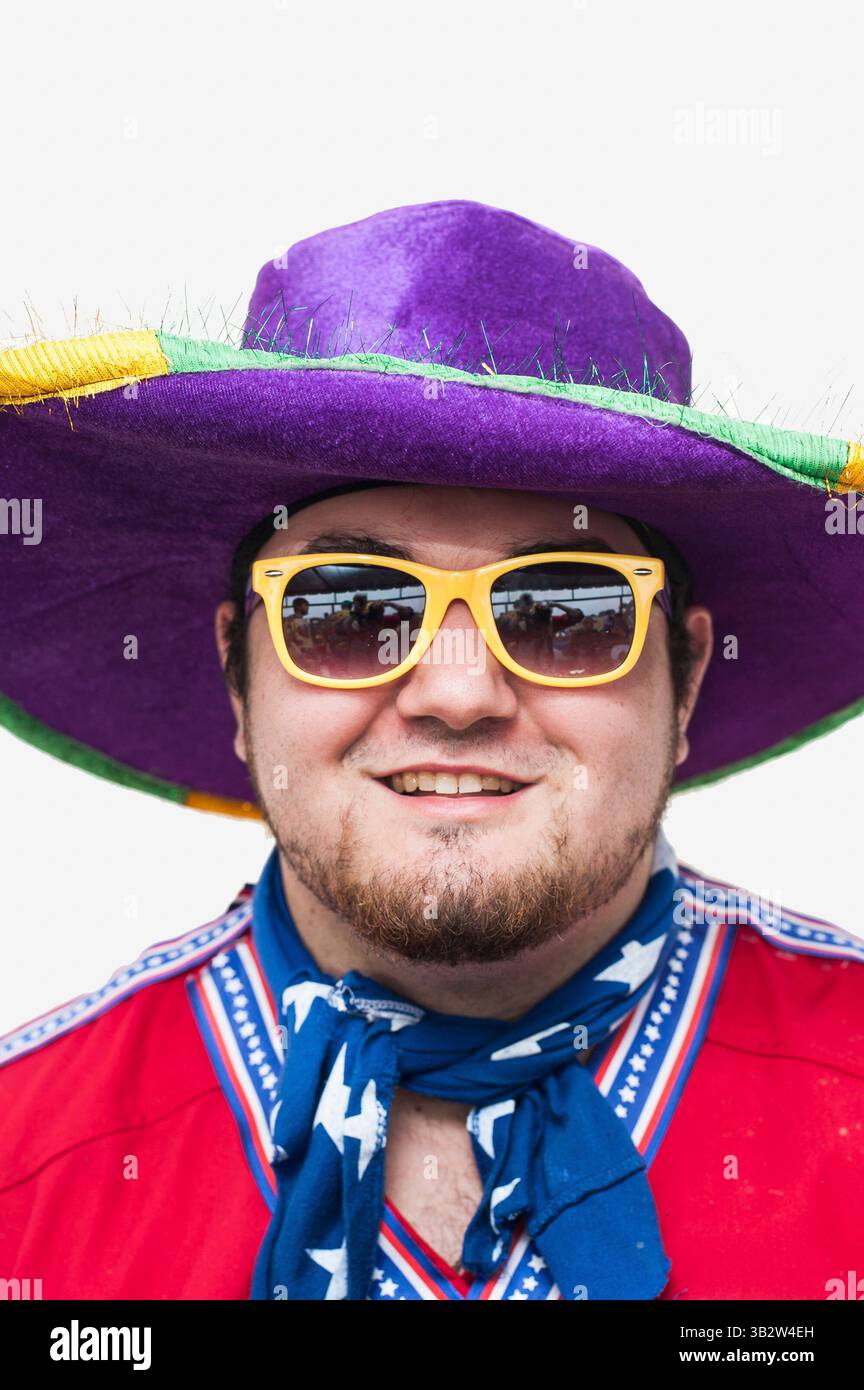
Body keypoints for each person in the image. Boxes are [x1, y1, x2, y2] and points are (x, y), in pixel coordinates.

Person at [0, 199, 862, 1302]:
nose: (459, 694)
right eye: (351, 608)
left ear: (685, 679)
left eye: (565, 610)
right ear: (237, 675)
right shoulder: (24, 1175)